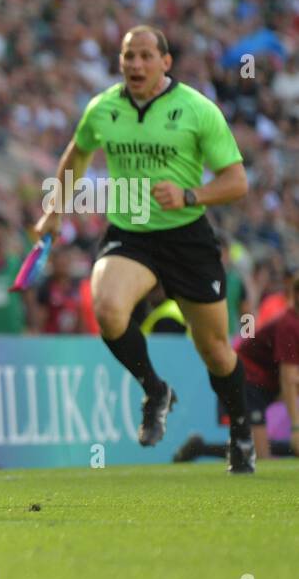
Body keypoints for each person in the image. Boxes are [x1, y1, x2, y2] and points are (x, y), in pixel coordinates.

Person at [34, 25, 253, 472]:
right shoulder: (103, 108)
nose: (135, 64)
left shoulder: (196, 109)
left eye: (145, 56)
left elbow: (236, 182)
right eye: (128, 56)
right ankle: (155, 390)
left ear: (165, 63)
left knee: (214, 349)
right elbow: (78, 154)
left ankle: (242, 434)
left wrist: (191, 195)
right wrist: (55, 209)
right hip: (130, 232)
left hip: (187, 237)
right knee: (108, 307)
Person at [175, 272, 299, 462]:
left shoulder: (237, 282)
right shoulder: (285, 319)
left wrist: (246, 333)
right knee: (258, 455)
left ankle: (200, 448)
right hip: (248, 376)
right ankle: (201, 448)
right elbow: (289, 375)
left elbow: (247, 311)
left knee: (254, 449)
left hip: (262, 376)